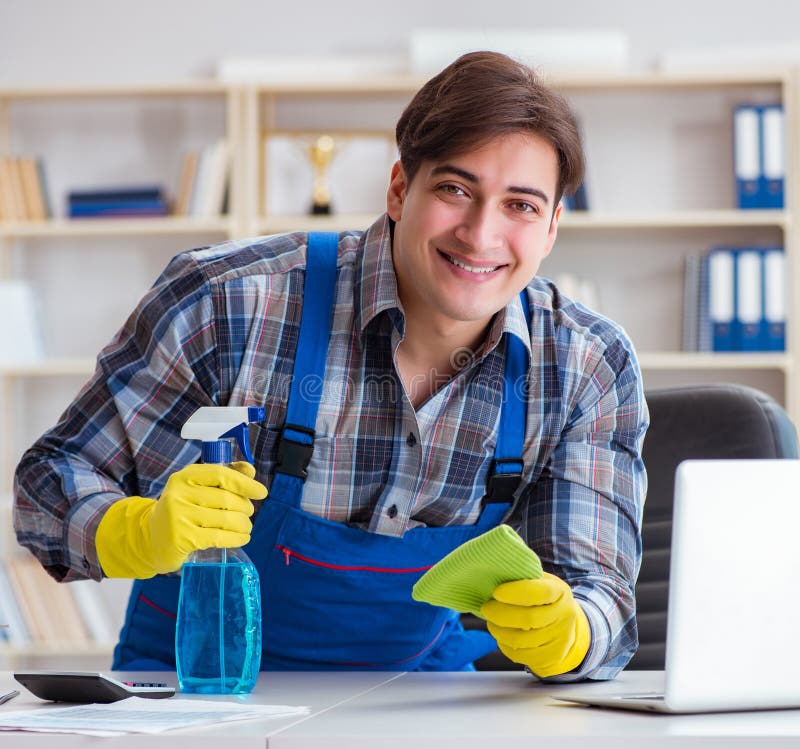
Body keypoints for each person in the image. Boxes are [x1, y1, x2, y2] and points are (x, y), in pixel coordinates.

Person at [14, 51, 647, 680]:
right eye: (455, 189)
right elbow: (48, 487)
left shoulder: (584, 366)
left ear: (553, 227)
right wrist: (135, 529)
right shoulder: (229, 302)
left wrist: (573, 631)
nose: (481, 235)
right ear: (399, 188)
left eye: (521, 206)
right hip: (196, 688)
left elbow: (600, 591)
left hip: (415, 696)